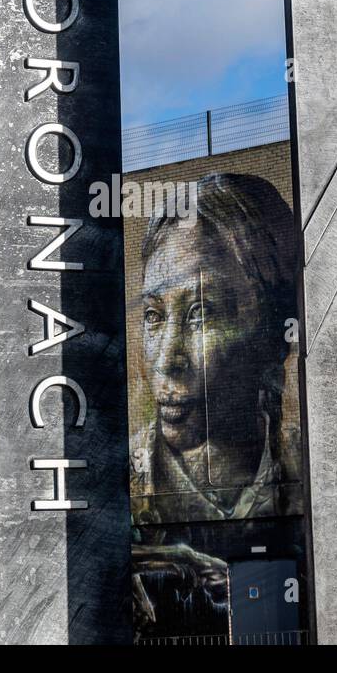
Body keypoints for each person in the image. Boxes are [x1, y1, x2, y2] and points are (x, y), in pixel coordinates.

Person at [132, 172, 302, 522]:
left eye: (201, 313)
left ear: (272, 334)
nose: (167, 360)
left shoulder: (314, 467)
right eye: (153, 315)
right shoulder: (116, 482)